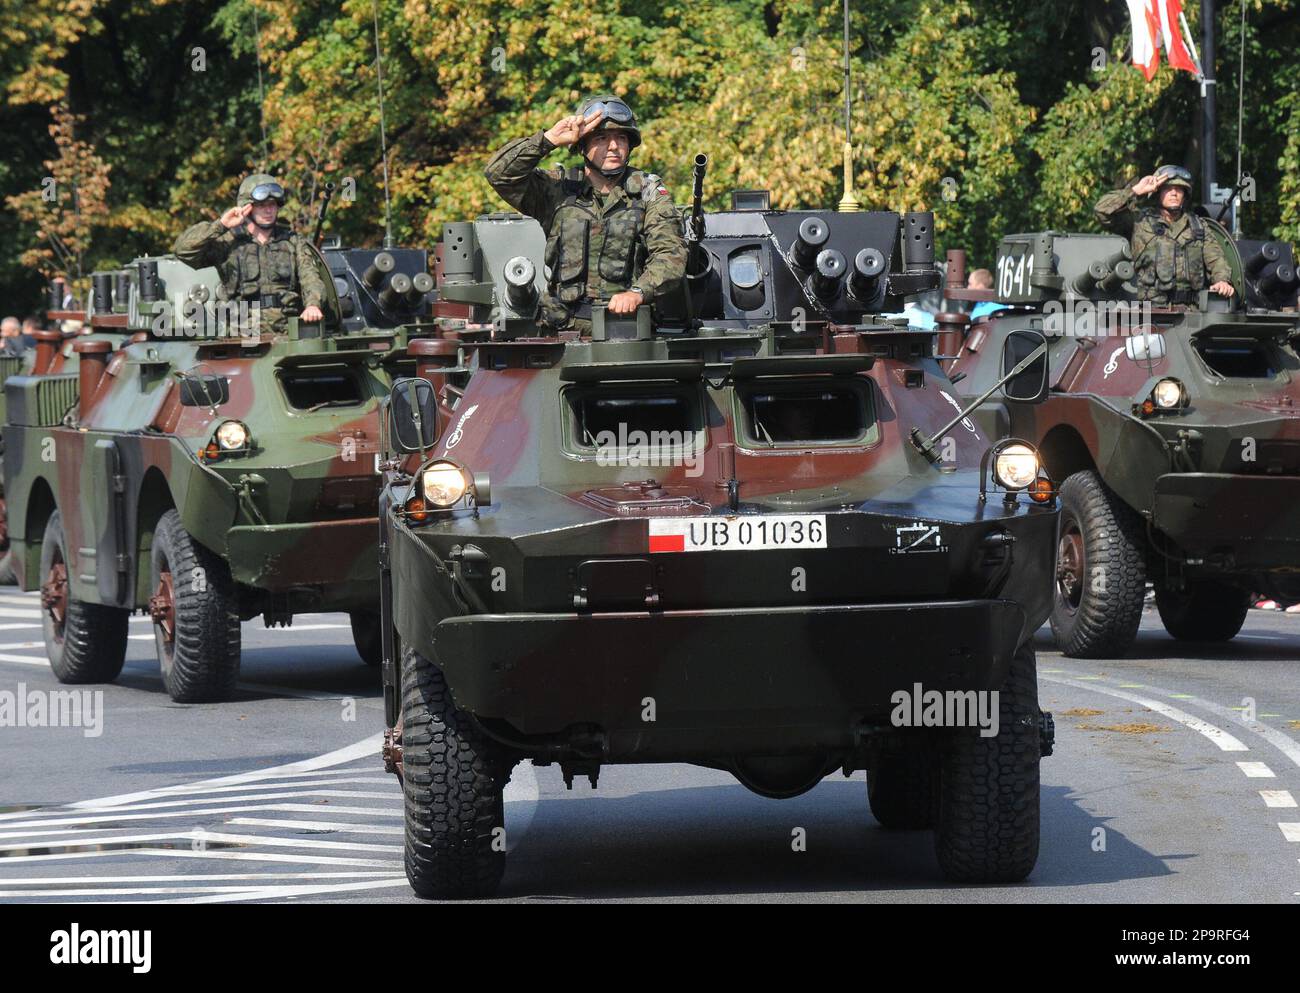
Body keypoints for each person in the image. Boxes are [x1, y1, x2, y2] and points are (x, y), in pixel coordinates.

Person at [484, 94, 687, 332]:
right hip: (562, 330)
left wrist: (638, 293)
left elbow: (670, 254)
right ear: (582, 145)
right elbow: (499, 174)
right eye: (601, 138)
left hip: (627, 330)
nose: (613, 147)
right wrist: (548, 139)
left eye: (621, 137)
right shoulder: (557, 188)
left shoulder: (648, 191)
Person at [172, 174, 325, 332]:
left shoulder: (292, 241)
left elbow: (311, 277)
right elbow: (183, 250)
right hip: (241, 334)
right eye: (261, 205)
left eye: (273, 205)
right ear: (247, 207)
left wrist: (313, 305)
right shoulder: (228, 242)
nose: (268, 210)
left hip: (287, 331)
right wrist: (221, 225)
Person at [1094, 164, 1234, 305]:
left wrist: (1222, 281)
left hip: (1191, 311)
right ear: (1157, 193)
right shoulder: (1139, 222)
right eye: (1168, 189)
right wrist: (1135, 190)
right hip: (1151, 311)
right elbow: (1102, 211)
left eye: (1179, 189)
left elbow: (1216, 260)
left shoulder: (1198, 226)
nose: (1174, 193)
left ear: (1185, 195)